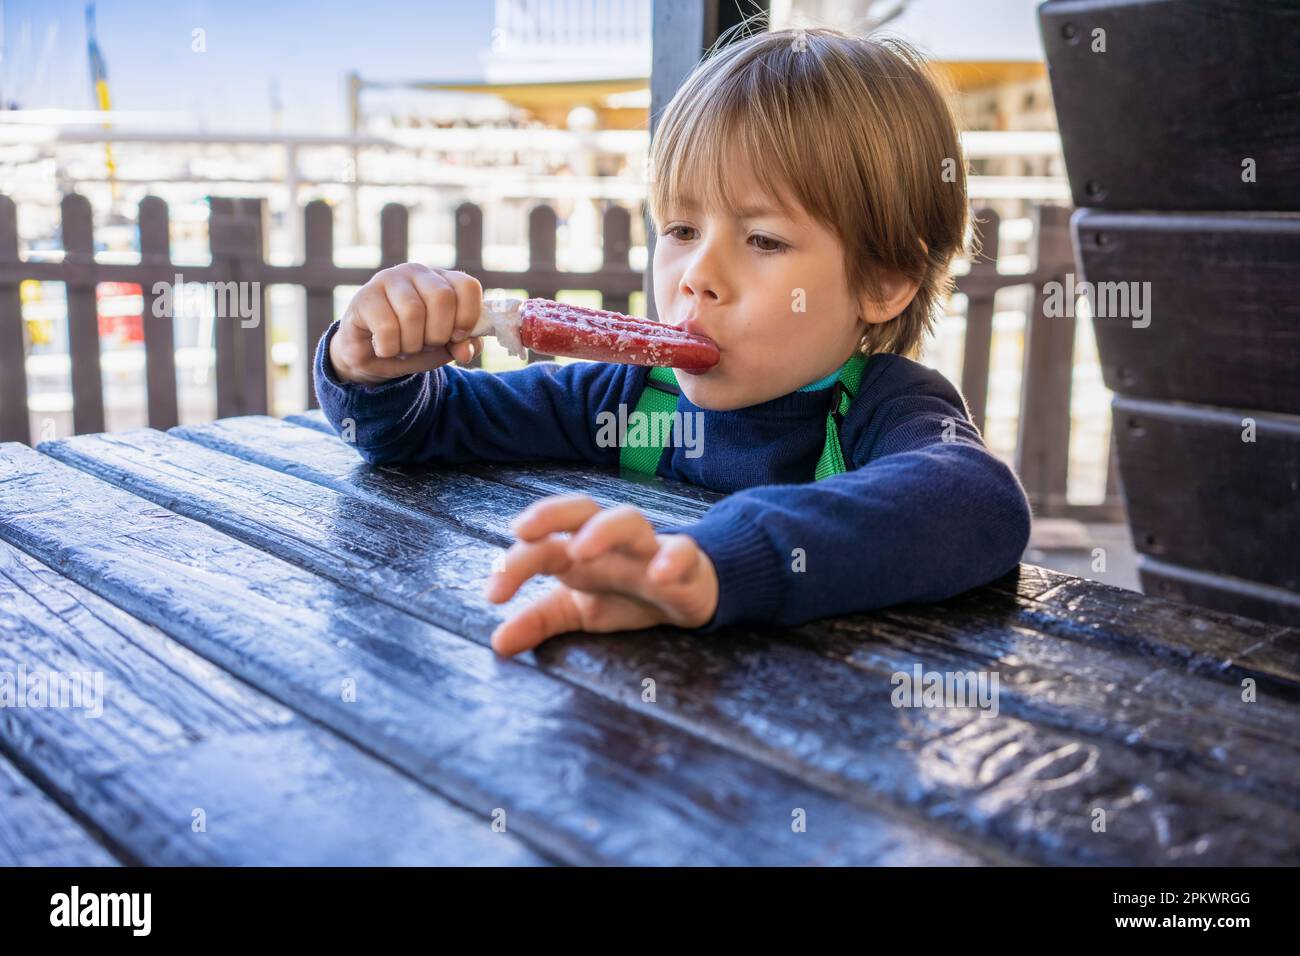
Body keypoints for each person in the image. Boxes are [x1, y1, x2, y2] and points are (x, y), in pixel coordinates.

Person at [314, 26, 1032, 657]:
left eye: (763, 239)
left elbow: (977, 500)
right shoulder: (631, 398)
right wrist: (375, 370)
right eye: (682, 230)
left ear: (882, 282)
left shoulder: (885, 407)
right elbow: (436, 427)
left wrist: (718, 561)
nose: (698, 277)